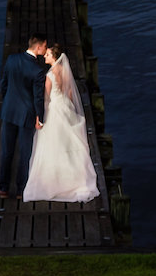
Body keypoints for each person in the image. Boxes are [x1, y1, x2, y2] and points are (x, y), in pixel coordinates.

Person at [21, 44, 100, 203]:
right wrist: (69, 109)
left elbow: (45, 98)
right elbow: (70, 93)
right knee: (68, 142)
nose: (45, 56)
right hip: (65, 106)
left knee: (52, 144)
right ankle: (74, 177)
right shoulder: (65, 72)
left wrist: (39, 117)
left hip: (55, 108)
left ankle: (54, 182)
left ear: (54, 57)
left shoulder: (49, 75)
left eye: (48, 54)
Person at [0, 31, 50, 199]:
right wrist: (40, 117)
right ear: (39, 47)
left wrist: (8, 102)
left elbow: (3, 85)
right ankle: (20, 190)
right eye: (45, 46)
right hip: (27, 115)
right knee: (25, 153)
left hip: (9, 112)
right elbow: (38, 97)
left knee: (7, 151)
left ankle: (3, 188)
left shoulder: (11, 59)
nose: (46, 48)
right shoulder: (38, 70)